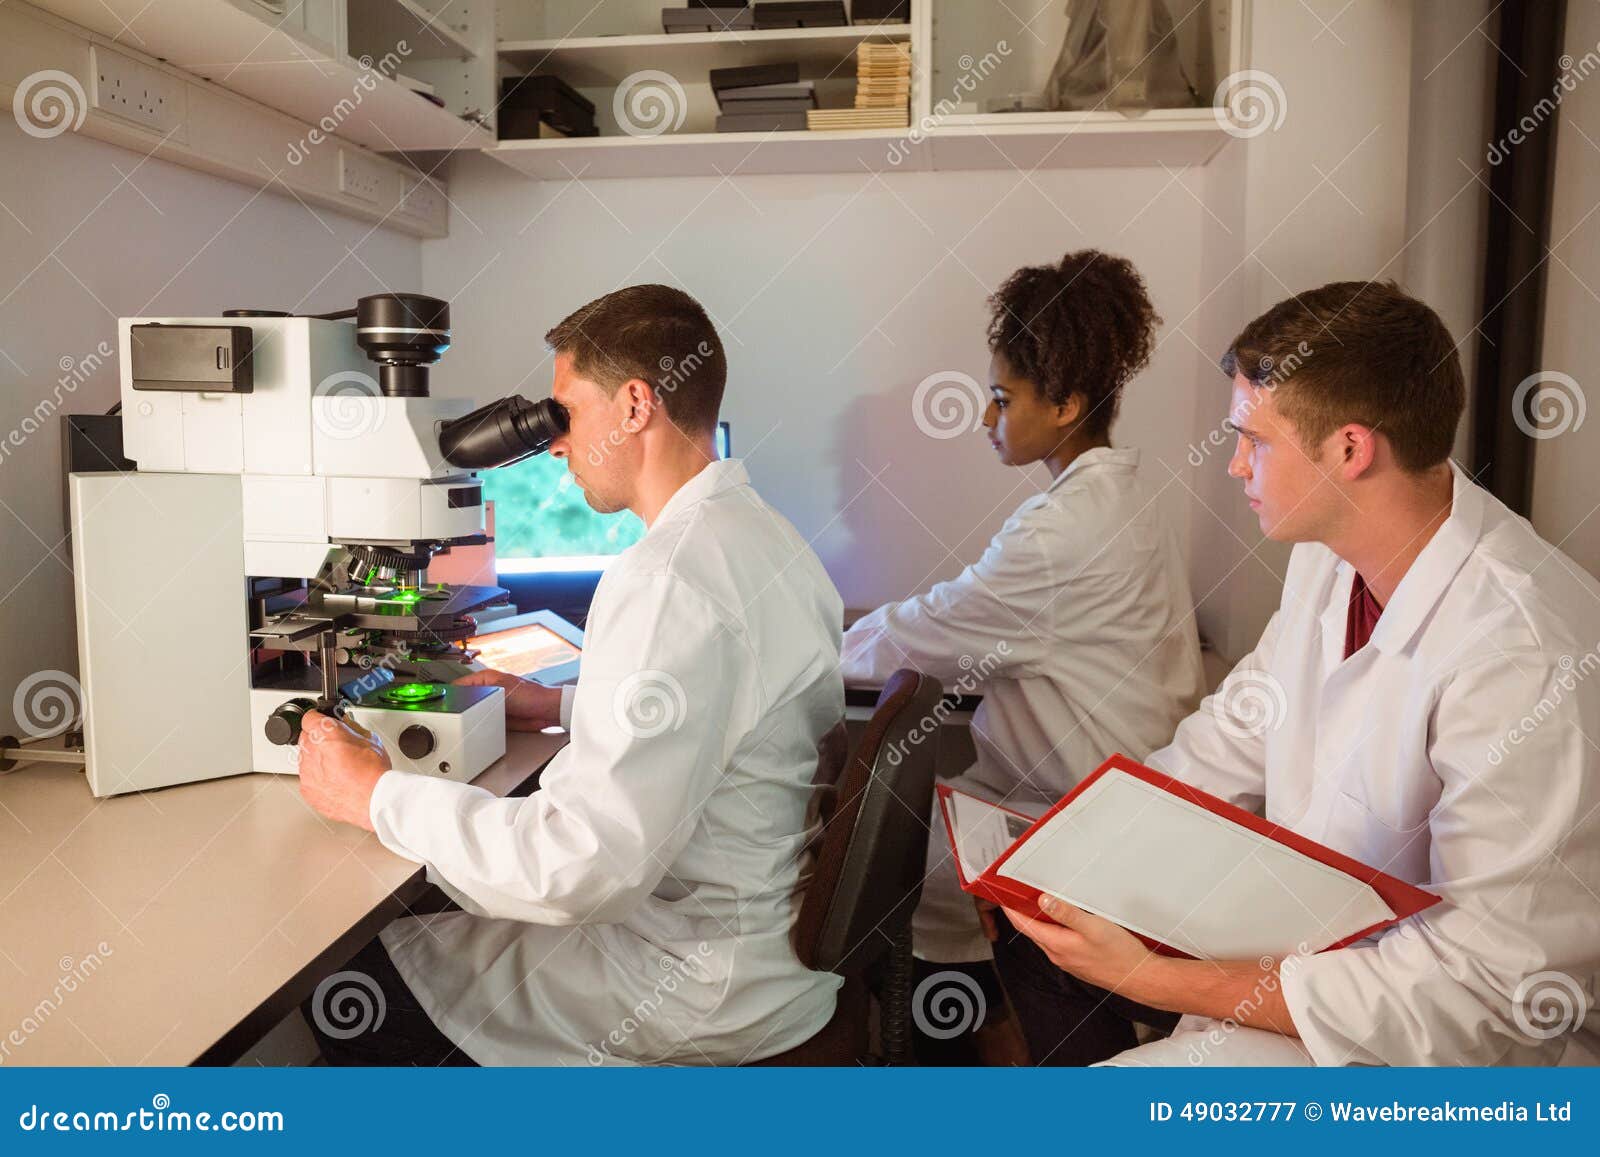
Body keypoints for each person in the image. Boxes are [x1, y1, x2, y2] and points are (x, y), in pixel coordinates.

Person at [1004, 280, 1600, 1066]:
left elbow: (1480, 994)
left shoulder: (1519, 654)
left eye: (1253, 440)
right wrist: (1071, 860)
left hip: (1454, 1058)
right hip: (1320, 981)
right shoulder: (1329, 559)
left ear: (1350, 449)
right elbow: (1228, 741)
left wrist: (1160, 979)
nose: (1234, 466)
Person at [295, 284, 846, 1066]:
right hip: (752, 940)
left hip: (686, 980)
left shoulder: (665, 578)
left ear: (633, 405)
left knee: (355, 978)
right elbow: (725, 708)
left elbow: (584, 866)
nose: (554, 443)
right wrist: (553, 700)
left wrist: (375, 796)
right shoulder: (764, 534)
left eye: (566, 412)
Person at [839, 250, 1206, 1064]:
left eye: (1003, 398)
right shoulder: (1117, 495)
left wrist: (819, 645)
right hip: (1104, 794)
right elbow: (961, 614)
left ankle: (952, 1045)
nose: (985, 417)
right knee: (913, 833)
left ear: (1068, 402)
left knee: (868, 858)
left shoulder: (1061, 532)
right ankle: (986, 1028)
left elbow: (927, 631)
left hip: (1084, 820)